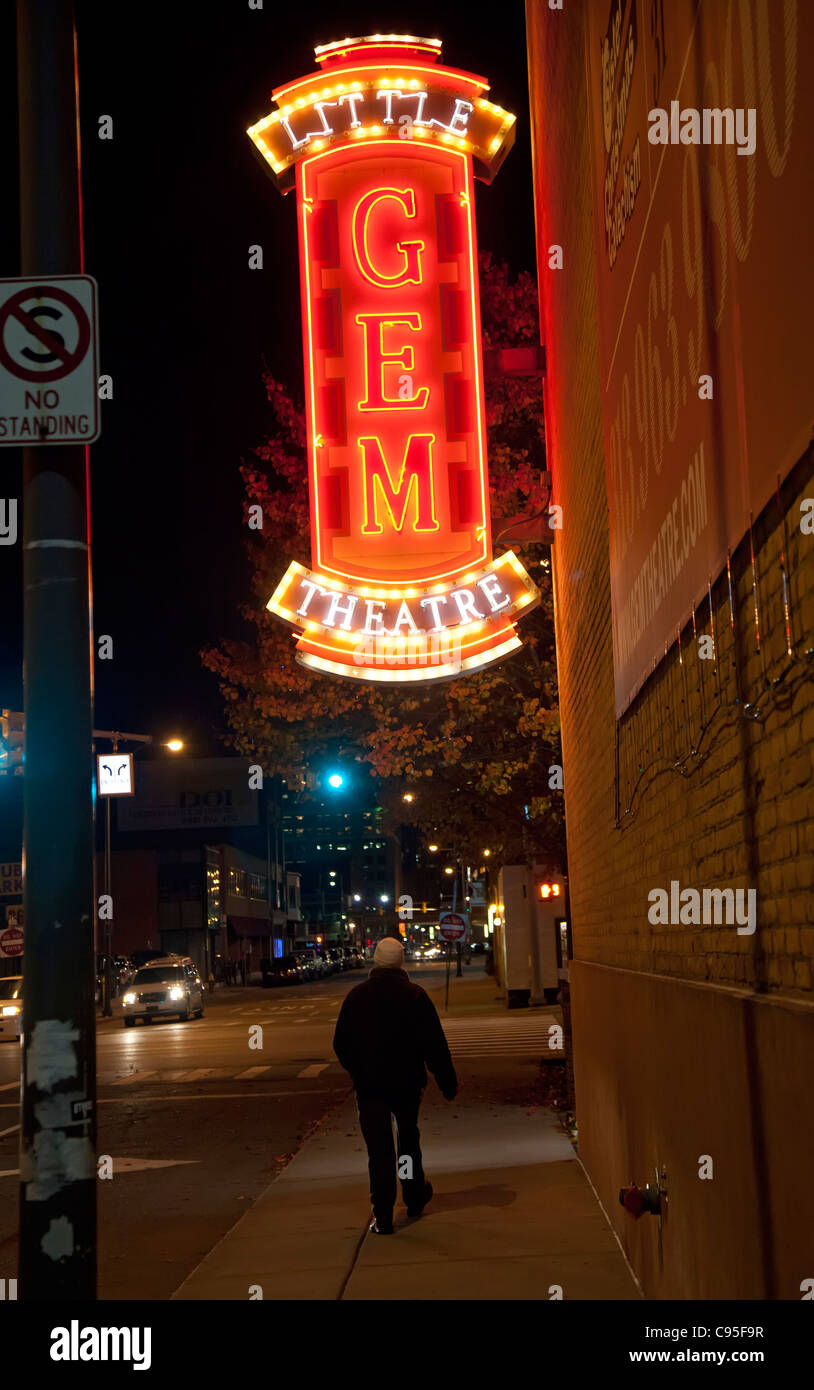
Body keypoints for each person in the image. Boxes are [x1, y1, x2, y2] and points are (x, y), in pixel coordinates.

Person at [333, 935, 458, 1235]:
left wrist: (358, 1071)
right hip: (406, 1085)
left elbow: (341, 1044)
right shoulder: (414, 996)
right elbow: (434, 1044)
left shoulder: (356, 997)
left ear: (376, 961)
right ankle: (413, 1195)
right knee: (407, 1143)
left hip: (371, 1087)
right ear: (401, 962)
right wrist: (446, 1082)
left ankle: (384, 1213)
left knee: (379, 1151)